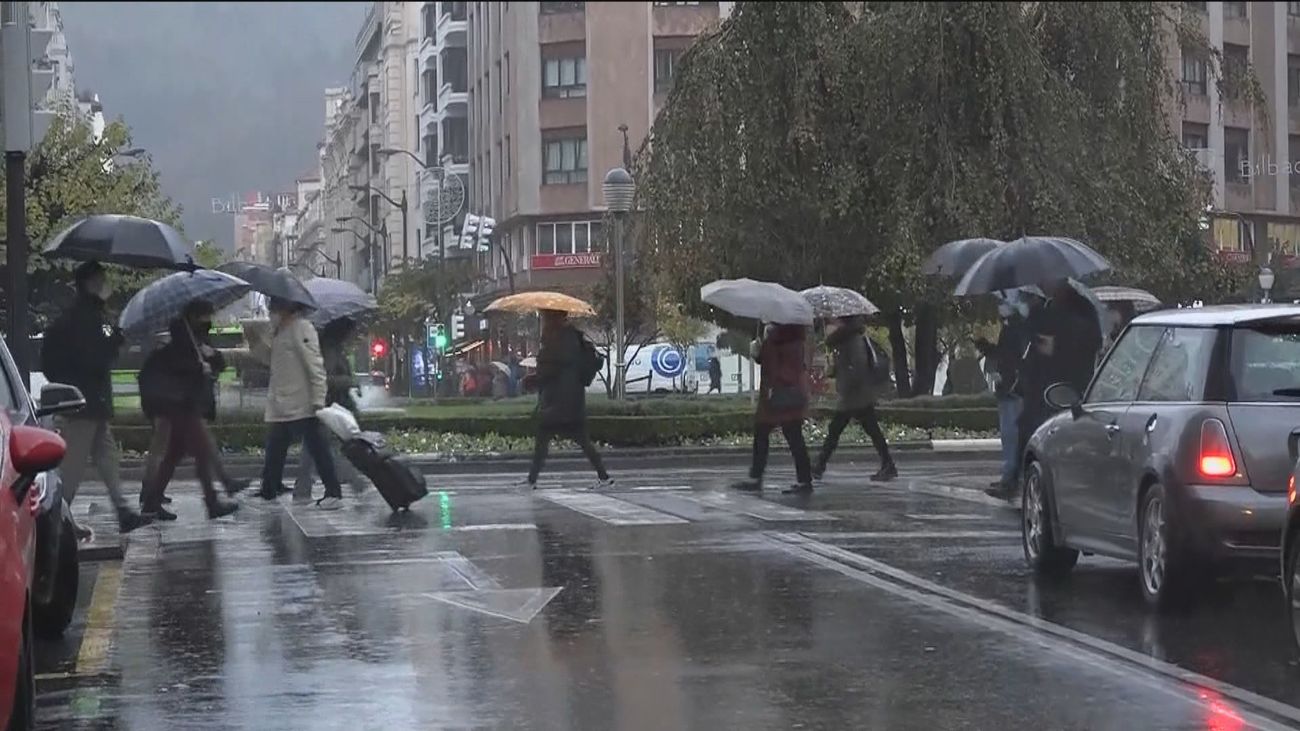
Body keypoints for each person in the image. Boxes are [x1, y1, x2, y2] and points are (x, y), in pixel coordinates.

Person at [41, 260, 151, 536]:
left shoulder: (90, 315)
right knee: (72, 470)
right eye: (103, 279)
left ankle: (122, 510)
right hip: (83, 404)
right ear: (91, 283)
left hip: (92, 403)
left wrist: (113, 338)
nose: (107, 285)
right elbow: (94, 359)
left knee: (107, 458)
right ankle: (54, 522)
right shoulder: (85, 318)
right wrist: (115, 343)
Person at [137, 303, 241, 520]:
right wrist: (199, 366)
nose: (209, 319)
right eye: (205, 314)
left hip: (186, 403)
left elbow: (216, 363)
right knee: (201, 451)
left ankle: (151, 501)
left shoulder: (197, 339)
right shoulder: (182, 341)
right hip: (180, 404)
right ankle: (212, 501)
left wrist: (209, 357)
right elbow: (180, 369)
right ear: (195, 316)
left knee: (174, 454)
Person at [259, 297, 346, 509]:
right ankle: (268, 491)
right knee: (275, 449)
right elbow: (269, 360)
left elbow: (314, 364)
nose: (272, 311)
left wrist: (318, 398)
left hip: (302, 403)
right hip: (280, 403)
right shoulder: (279, 331)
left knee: (318, 448)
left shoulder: (302, 328)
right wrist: (254, 340)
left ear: (287, 307)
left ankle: (333, 492)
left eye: (275, 307)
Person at [519, 309, 612, 489]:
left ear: (552, 318)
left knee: (543, 439)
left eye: (545, 317)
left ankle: (531, 480)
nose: (543, 321)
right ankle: (604, 476)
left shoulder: (555, 341)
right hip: (573, 400)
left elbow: (548, 371)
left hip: (558, 402)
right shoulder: (574, 338)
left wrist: (532, 379)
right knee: (582, 441)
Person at [732, 323, 814, 494]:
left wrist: (758, 352)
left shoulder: (776, 340)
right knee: (794, 437)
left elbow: (771, 364)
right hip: (792, 393)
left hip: (776, 395)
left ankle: (756, 477)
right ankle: (804, 480)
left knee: (763, 434)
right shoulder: (797, 340)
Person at [814, 316, 896, 483]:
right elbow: (845, 366)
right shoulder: (845, 340)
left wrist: (846, 384)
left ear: (844, 321)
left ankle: (819, 466)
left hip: (855, 395)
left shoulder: (854, 339)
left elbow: (858, 367)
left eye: (836, 319)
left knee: (835, 430)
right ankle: (888, 464)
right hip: (856, 395)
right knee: (871, 430)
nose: (833, 321)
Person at [294, 317, 366, 501]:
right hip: (328, 407)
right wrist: (350, 382)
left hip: (327, 406)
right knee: (326, 448)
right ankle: (353, 480)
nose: (353, 336)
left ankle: (303, 488)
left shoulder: (333, 349)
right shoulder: (329, 351)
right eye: (351, 332)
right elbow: (326, 379)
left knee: (314, 448)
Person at [975, 293, 1030, 494]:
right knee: (1011, 434)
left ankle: (1010, 479)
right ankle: (1011, 477)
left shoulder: (1016, 328)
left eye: (1002, 302)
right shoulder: (1013, 327)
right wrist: (988, 349)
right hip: (1011, 386)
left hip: (1012, 388)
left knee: (1010, 434)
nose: (999, 306)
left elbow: (1011, 356)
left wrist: (990, 350)